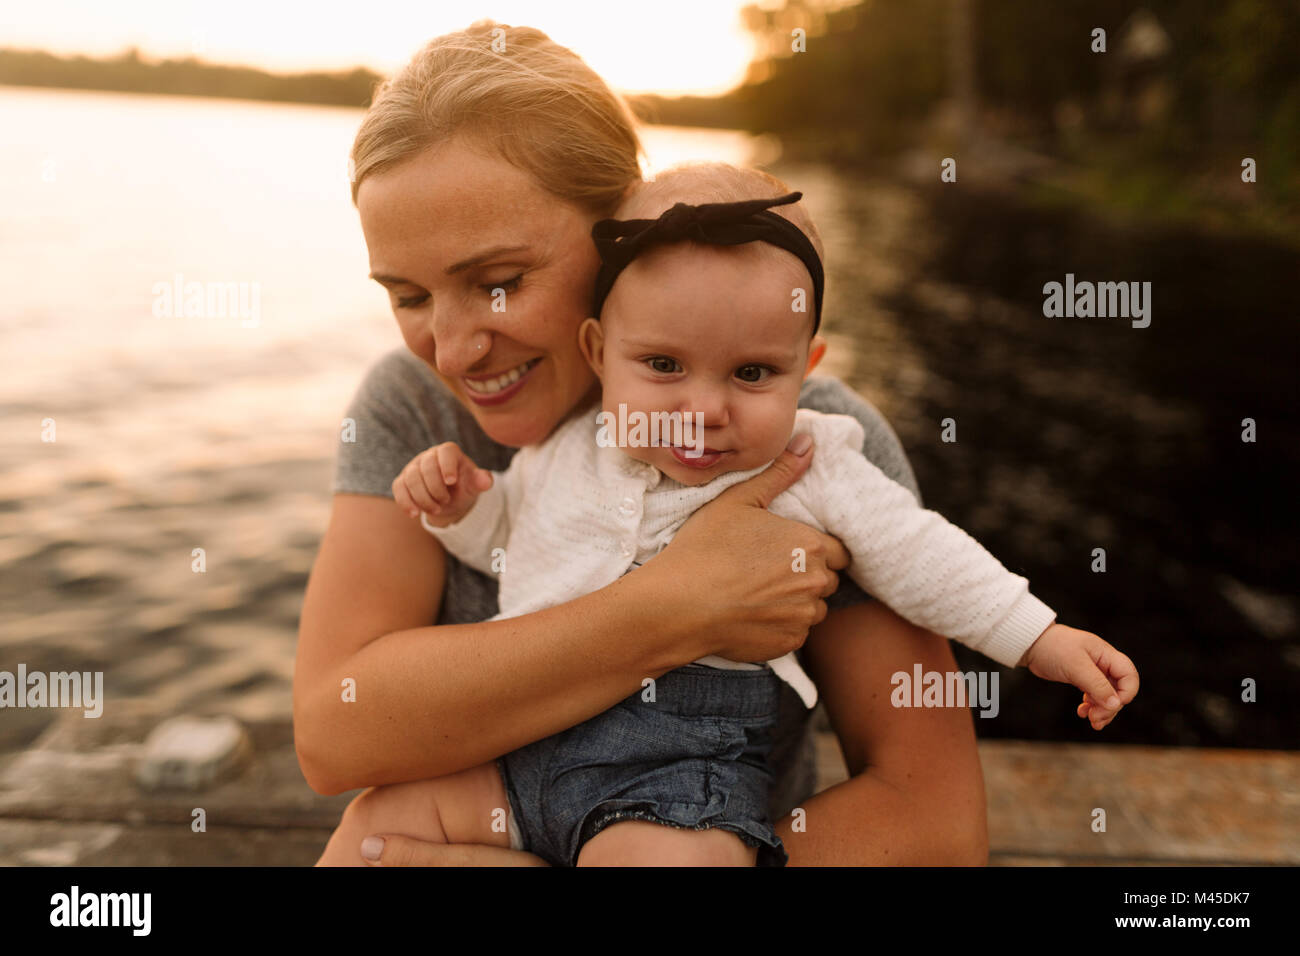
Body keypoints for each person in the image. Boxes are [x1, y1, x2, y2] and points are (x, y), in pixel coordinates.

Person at [296, 20, 1046, 867]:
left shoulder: (807, 447)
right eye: (409, 295)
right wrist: (673, 606)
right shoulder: (413, 411)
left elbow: (934, 827)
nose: (455, 347)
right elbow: (334, 735)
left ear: (622, 229)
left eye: (499, 284)